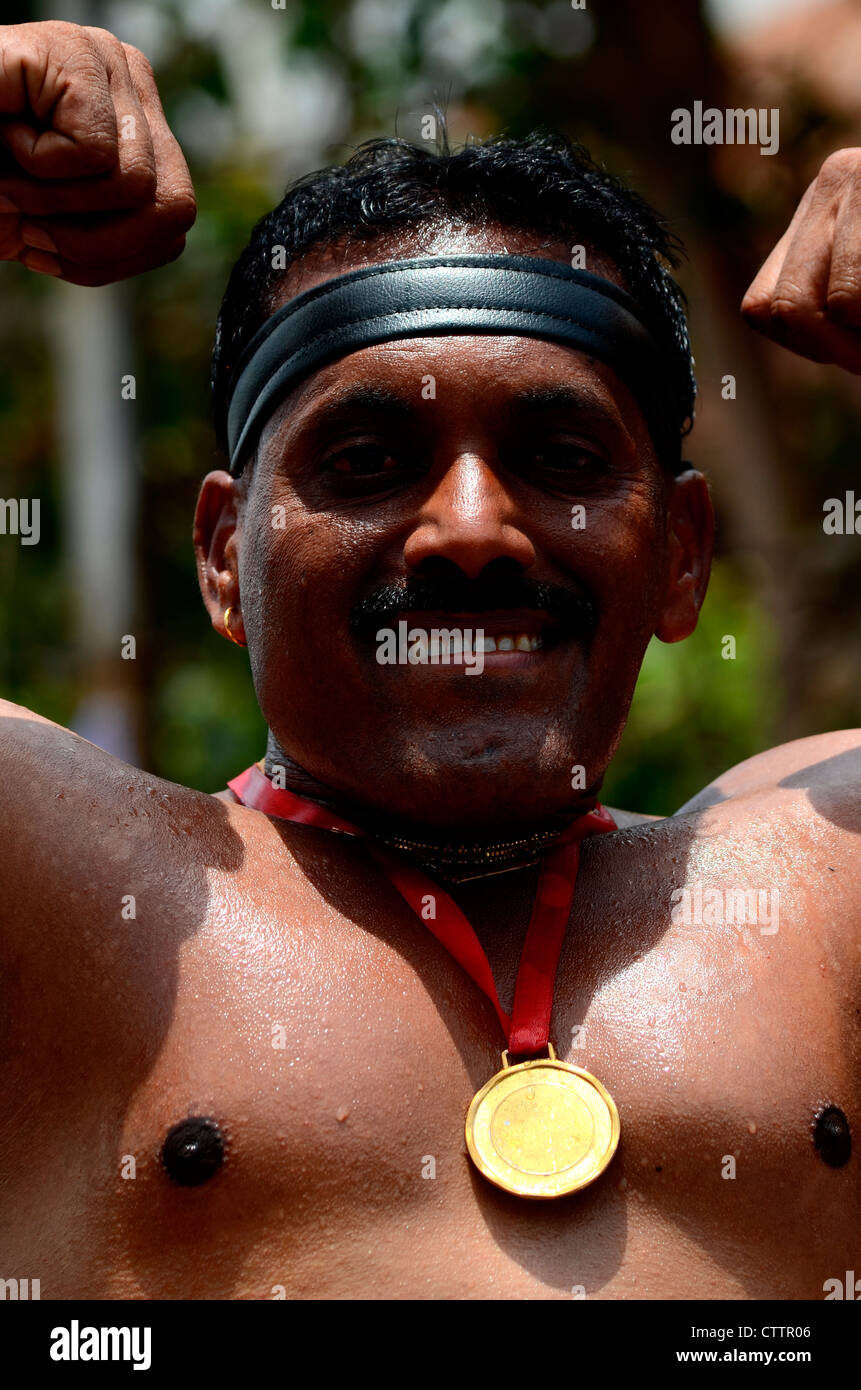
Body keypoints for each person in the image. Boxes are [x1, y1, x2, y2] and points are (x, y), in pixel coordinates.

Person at [0, 20, 858, 1301]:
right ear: (226, 555)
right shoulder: (70, 888)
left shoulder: (819, 884)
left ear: (681, 554)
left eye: (561, 459)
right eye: (366, 463)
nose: (470, 529)